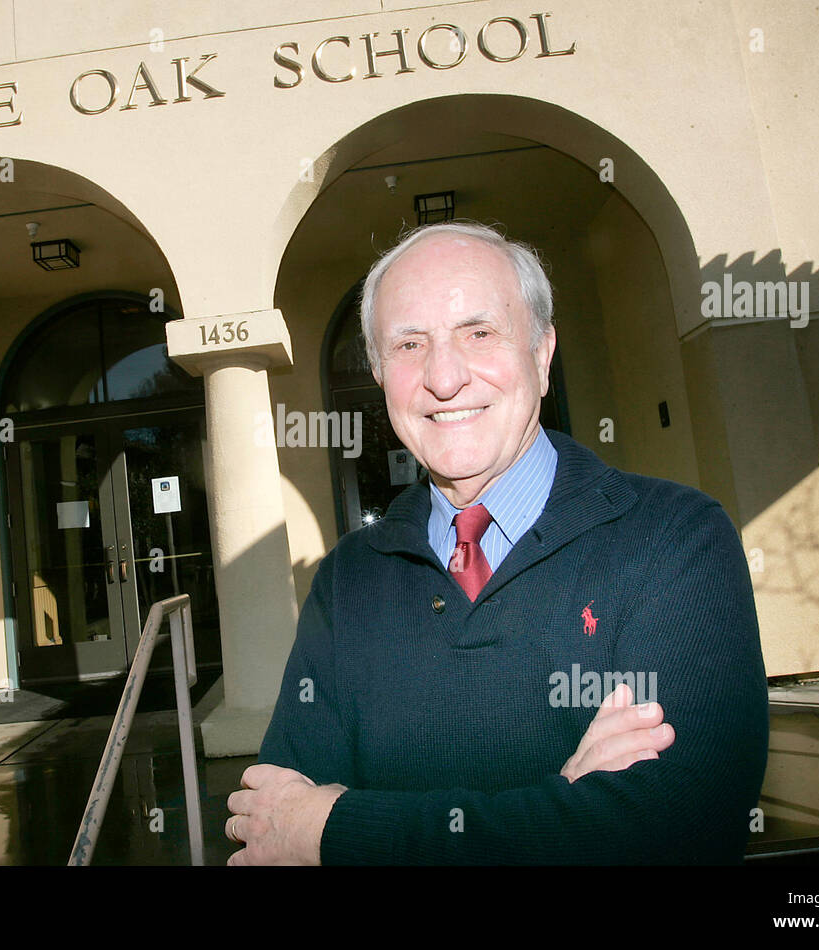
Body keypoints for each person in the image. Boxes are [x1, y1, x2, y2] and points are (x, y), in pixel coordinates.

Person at [225, 221, 769, 865]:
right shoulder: (349, 581)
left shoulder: (674, 540)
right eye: (408, 344)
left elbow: (677, 832)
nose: (444, 378)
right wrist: (563, 808)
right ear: (378, 373)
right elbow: (270, 831)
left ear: (542, 354)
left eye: (479, 334)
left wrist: (337, 831)